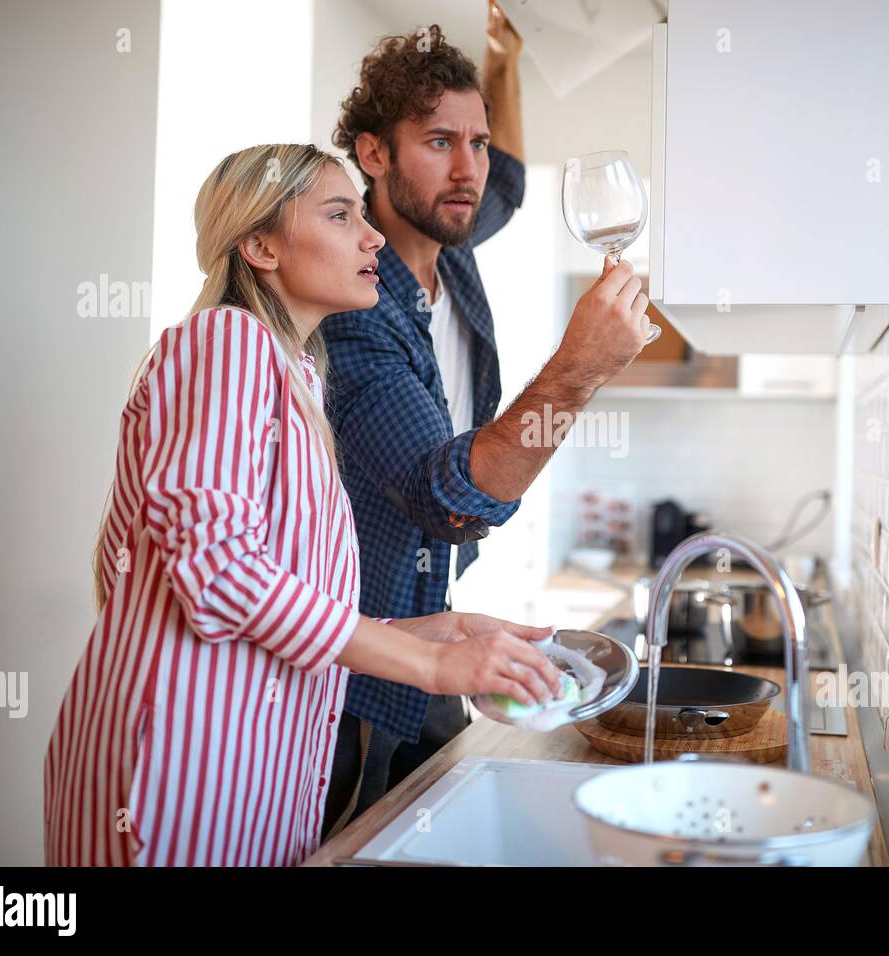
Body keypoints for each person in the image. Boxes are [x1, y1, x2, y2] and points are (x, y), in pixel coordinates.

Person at [44, 143, 563, 867]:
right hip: (177, 777)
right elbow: (220, 576)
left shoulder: (295, 377)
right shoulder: (227, 341)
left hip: (244, 781)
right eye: (340, 214)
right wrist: (431, 670)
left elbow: (276, 609)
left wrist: (429, 632)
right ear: (260, 245)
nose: (373, 237)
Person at [321, 9, 649, 829]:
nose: (468, 167)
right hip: (348, 674)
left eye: (480, 139)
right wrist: (583, 367)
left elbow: (502, 185)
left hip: (440, 635)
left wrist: (503, 56)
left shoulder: (450, 242)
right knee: (347, 845)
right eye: (439, 142)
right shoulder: (351, 309)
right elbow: (448, 499)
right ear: (372, 154)